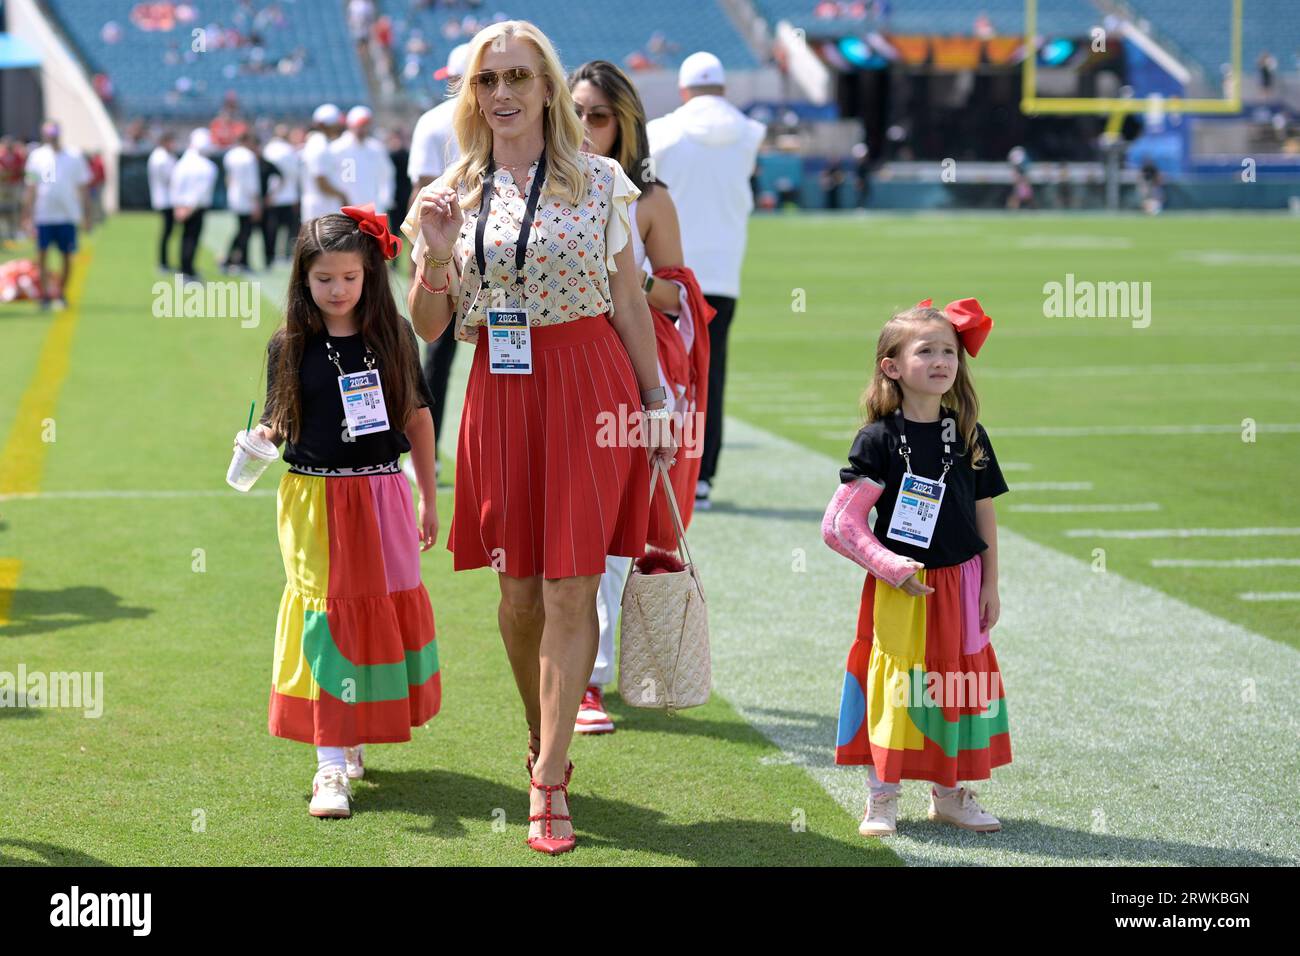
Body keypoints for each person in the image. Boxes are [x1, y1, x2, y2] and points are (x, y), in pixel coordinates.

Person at [401, 19, 675, 855]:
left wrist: (656, 399)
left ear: (548, 86)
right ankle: (540, 733)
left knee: (569, 588)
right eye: (488, 80)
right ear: (470, 94)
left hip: (590, 382)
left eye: (519, 76)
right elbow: (429, 326)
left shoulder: (601, 181)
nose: (504, 93)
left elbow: (628, 302)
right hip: (500, 389)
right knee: (517, 595)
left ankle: (549, 776)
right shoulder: (449, 191)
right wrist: (434, 255)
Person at [250, 205, 441, 819]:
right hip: (313, 501)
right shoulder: (288, 343)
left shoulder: (393, 337)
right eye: (324, 278)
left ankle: (351, 728)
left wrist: (428, 496)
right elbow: (280, 418)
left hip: (383, 494)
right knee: (327, 616)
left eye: (350, 277)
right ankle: (329, 764)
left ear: (369, 275)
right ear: (303, 279)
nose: (337, 289)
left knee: (374, 609)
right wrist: (257, 441)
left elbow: (417, 419)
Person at [820, 298, 1011, 838]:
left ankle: (948, 794)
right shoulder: (878, 439)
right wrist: (889, 565)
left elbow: (984, 509)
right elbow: (840, 524)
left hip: (962, 583)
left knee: (953, 683)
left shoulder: (968, 432)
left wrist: (991, 582)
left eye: (948, 351)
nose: (941, 361)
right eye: (925, 351)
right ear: (892, 366)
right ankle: (882, 796)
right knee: (898, 684)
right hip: (901, 588)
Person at [568, 58, 713, 736]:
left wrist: (624, 276)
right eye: (574, 112)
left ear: (625, 124)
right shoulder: (539, 183)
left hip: (630, 370)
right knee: (557, 527)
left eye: (599, 115)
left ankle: (591, 678)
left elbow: (680, 296)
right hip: (555, 368)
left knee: (612, 527)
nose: (585, 126)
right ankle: (563, 666)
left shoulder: (649, 198)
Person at [647, 51, 765, 512]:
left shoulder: (662, 131)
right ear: (724, 88)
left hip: (669, 271)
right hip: (723, 271)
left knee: (661, 372)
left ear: (683, 89)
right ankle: (703, 477)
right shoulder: (749, 131)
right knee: (710, 376)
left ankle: (663, 467)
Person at [408, 42, 470, 468]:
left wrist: (416, 258)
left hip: (445, 249)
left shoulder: (432, 120)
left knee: (437, 355)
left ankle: (424, 454)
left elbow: (422, 191)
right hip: (497, 246)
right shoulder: (505, 117)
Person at [21, 121, 92, 310]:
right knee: (42, 255)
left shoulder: (74, 156)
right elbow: (31, 186)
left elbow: (83, 187)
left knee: (66, 255)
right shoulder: (37, 156)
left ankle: (61, 293)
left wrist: (87, 215)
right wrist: (27, 214)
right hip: (43, 215)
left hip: (67, 215)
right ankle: (44, 295)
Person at [168, 129, 219, 283]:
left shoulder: (182, 163)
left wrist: (178, 206)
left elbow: (175, 184)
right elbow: (201, 192)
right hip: (194, 208)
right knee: (191, 239)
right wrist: (189, 208)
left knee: (186, 238)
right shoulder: (207, 166)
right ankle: (187, 271)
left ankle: (186, 269)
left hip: (182, 206)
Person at [331, 106, 395, 211]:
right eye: (359, 125)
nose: (362, 129)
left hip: (371, 207)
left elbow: (386, 175)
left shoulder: (376, 148)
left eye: (365, 125)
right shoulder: (337, 148)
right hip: (344, 209)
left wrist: (385, 200)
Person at [222, 129, 263, 273]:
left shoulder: (230, 155)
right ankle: (238, 261)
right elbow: (251, 183)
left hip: (234, 196)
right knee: (245, 231)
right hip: (246, 199)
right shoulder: (248, 157)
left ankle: (235, 260)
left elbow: (228, 178)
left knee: (242, 230)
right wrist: (256, 202)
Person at [261, 124, 302, 265]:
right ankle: (287, 254)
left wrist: (270, 194)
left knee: (272, 229)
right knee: (290, 228)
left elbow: (270, 175)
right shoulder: (289, 150)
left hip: (274, 197)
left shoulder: (269, 149)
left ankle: (272, 255)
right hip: (289, 196)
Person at [300, 104, 347, 221]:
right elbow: (321, 182)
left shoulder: (320, 143)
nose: (340, 126)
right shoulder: (319, 146)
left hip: (322, 205)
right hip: (321, 207)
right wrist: (342, 195)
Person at [147, 131, 179, 274]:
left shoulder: (165, 156)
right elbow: (170, 178)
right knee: (167, 232)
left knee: (168, 232)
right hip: (166, 199)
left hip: (168, 198)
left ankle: (165, 262)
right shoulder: (160, 158)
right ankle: (163, 263)